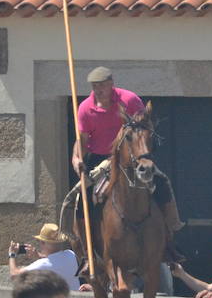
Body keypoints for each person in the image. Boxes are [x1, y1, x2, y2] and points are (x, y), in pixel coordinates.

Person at [69, 65, 182, 237]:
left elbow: (143, 127)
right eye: (95, 86)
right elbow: (82, 140)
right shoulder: (85, 108)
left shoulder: (129, 100)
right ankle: (85, 247)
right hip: (100, 157)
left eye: (102, 85)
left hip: (131, 156)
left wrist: (142, 151)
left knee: (161, 182)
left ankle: (170, 234)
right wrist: (76, 158)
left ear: (111, 83)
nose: (98, 90)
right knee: (81, 196)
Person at [8, 223, 79, 291]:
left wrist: (12, 254)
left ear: (42, 242)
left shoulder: (42, 264)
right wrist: (38, 256)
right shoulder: (71, 254)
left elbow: (14, 275)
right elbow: (55, 262)